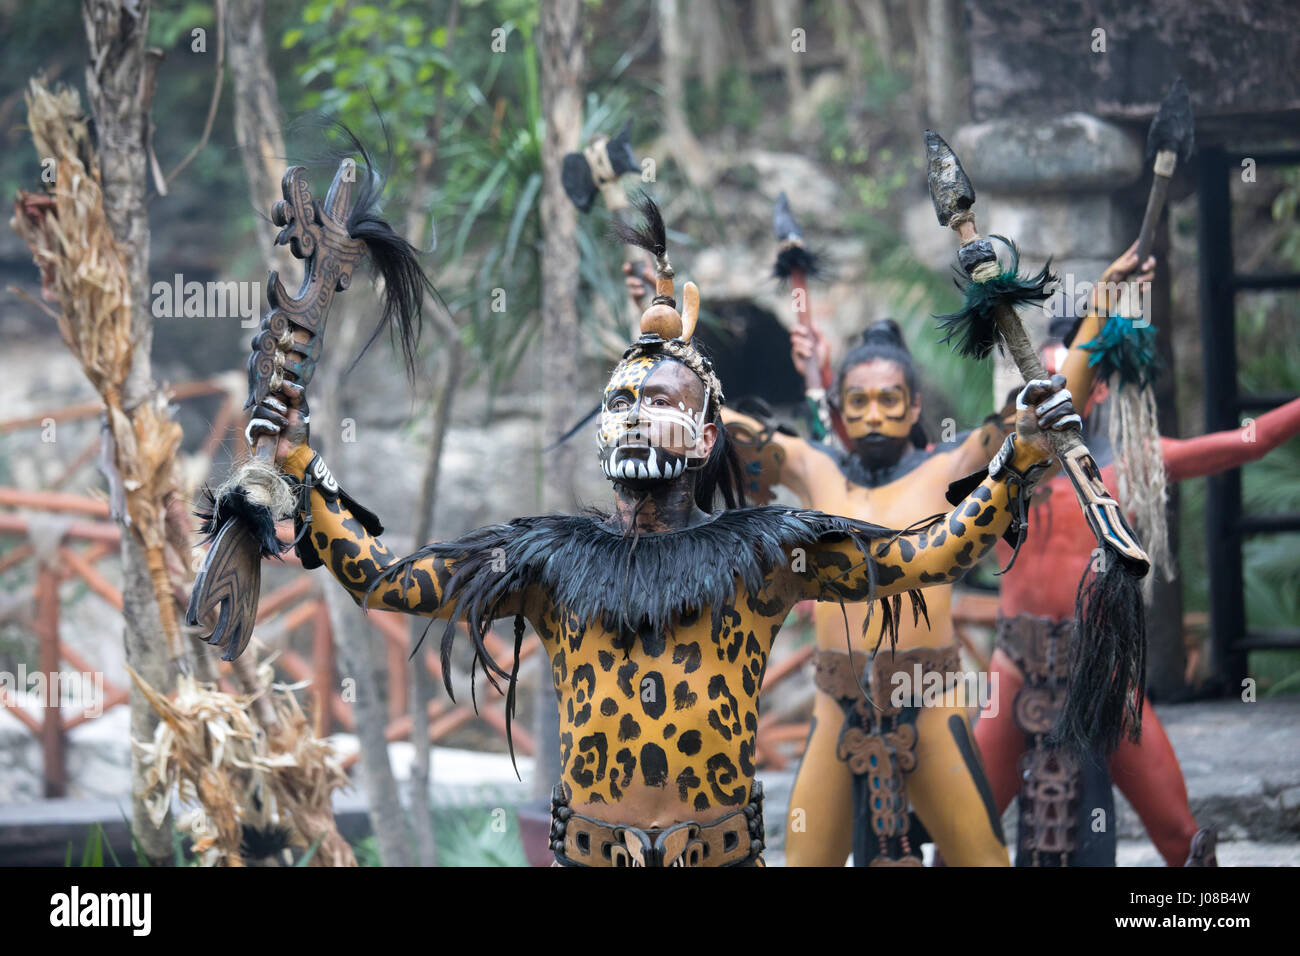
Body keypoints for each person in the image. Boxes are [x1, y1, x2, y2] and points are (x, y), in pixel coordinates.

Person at [250, 196, 1078, 867]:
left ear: (710, 436)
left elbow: (922, 554)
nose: (640, 417)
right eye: (623, 403)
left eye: (663, 404)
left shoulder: (766, 554)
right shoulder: (546, 560)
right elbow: (388, 580)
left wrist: (1016, 464)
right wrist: (301, 467)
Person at [623, 244, 1153, 866]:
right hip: (835, 704)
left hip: (926, 702)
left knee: (982, 859)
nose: (874, 414)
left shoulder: (952, 466)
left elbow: (1049, 407)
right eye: (860, 402)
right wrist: (663, 358)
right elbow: (715, 419)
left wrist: (1105, 303)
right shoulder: (815, 466)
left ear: (915, 407)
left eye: (889, 401)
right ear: (841, 410)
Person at [974, 316, 1300, 867]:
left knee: (1183, 840)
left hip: (1102, 670)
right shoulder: (993, 467)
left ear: (1098, 388)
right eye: (1044, 381)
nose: (1055, 393)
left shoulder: (1135, 464)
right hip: (1016, 669)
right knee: (960, 826)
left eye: (1073, 378)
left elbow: (1253, 441)